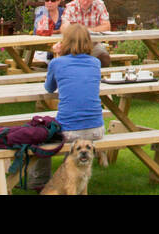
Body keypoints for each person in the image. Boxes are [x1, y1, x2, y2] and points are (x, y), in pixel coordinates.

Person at [29, 23, 105, 191]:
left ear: (65, 42)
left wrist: (56, 56)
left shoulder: (58, 63)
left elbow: (49, 88)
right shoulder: (95, 63)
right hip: (96, 129)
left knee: (43, 138)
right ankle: (71, 181)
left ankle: (39, 182)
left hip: (70, 131)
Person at [61, 0, 113, 66]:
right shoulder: (71, 6)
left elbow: (107, 26)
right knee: (67, 58)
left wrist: (85, 30)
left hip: (93, 44)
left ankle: (100, 77)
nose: (85, 3)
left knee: (104, 58)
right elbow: (63, 27)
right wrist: (77, 32)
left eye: (88, 1)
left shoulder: (99, 5)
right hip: (74, 45)